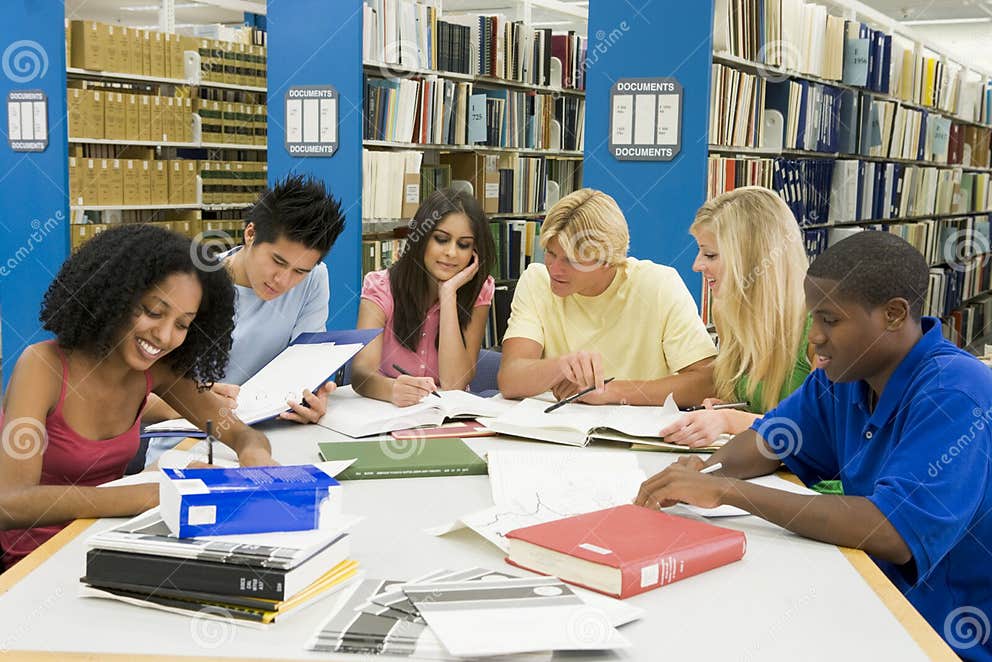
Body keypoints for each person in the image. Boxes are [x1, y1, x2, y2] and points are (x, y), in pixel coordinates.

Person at [636, 231, 992, 662]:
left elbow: (892, 530)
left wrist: (727, 491)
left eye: (830, 320)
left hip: (941, 636)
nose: (815, 338)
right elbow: (769, 441)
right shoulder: (847, 375)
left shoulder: (956, 393)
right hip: (868, 601)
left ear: (894, 315)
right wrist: (706, 472)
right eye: (813, 319)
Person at [0, 224, 275, 569]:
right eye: (154, 312)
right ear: (116, 295)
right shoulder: (43, 366)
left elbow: (240, 432)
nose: (164, 336)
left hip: (108, 540)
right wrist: (148, 493)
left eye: (182, 324)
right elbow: (9, 503)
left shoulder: (155, 371)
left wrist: (254, 454)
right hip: (35, 562)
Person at [141, 174, 346, 465]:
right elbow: (137, 396)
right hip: (187, 445)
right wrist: (195, 403)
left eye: (300, 271)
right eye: (277, 261)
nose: (284, 280)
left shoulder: (314, 280)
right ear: (250, 234)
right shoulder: (193, 285)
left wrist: (312, 398)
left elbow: (306, 365)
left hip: (268, 438)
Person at [497, 188, 716, 406]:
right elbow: (510, 380)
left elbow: (706, 383)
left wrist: (610, 391)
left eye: (571, 260)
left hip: (638, 426)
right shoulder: (536, 280)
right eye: (550, 253)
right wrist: (561, 366)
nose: (554, 269)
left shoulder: (659, 284)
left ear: (608, 260)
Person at [660, 187, 812, 447]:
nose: (696, 265)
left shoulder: (819, 327)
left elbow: (821, 434)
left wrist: (730, 420)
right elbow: (757, 409)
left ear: (751, 259)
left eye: (710, 255)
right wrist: (730, 408)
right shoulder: (727, 313)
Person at [352, 189, 496, 406]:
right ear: (421, 238)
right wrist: (392, 389)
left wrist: (448, 294)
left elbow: (454, 383)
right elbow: (360, 373)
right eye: (441, 239)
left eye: (463, 244)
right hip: (386, 411)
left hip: (445, 415)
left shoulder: (479, 290)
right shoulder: (380, 287)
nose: (451, 253)